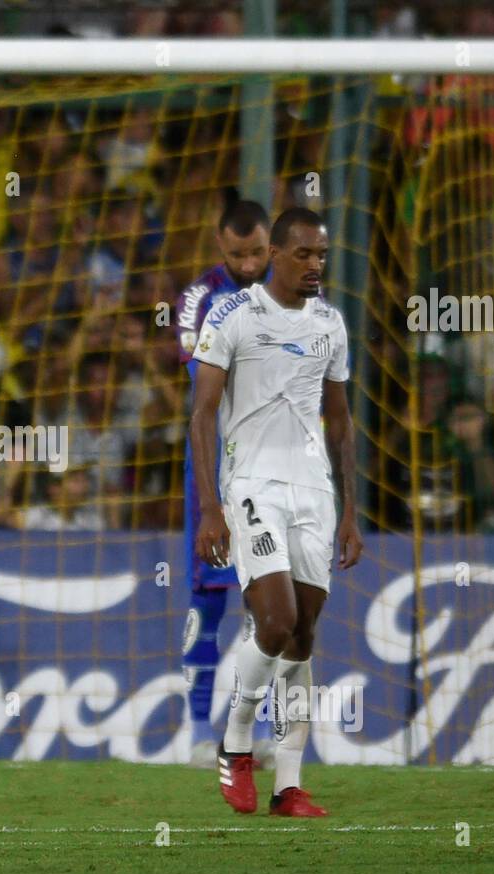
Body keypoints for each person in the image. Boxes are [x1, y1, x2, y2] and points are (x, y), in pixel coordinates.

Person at [190, 207, 363, 818]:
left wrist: (348, 509)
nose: (317, 265)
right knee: (277, 620)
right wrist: (210, 506)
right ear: (277, 255)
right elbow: (202, 413)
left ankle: (288, 786)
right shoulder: (232, 316)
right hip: (253, 486)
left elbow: (338, 420)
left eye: (323, 255)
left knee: (305, 637)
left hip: (314, 491)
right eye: (306, 254)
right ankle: (236, 743)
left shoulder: (330, 325)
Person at [173, 198, 271, 768]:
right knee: (209, 599)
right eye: (239, 254)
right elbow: (205, 375)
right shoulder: (198, 299)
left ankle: (243, 730)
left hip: (274, 466)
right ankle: (193, 733)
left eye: (258, 251)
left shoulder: (299, 293)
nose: (250, 263)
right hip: (214, 465)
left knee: (265, 603)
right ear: (220, 247)